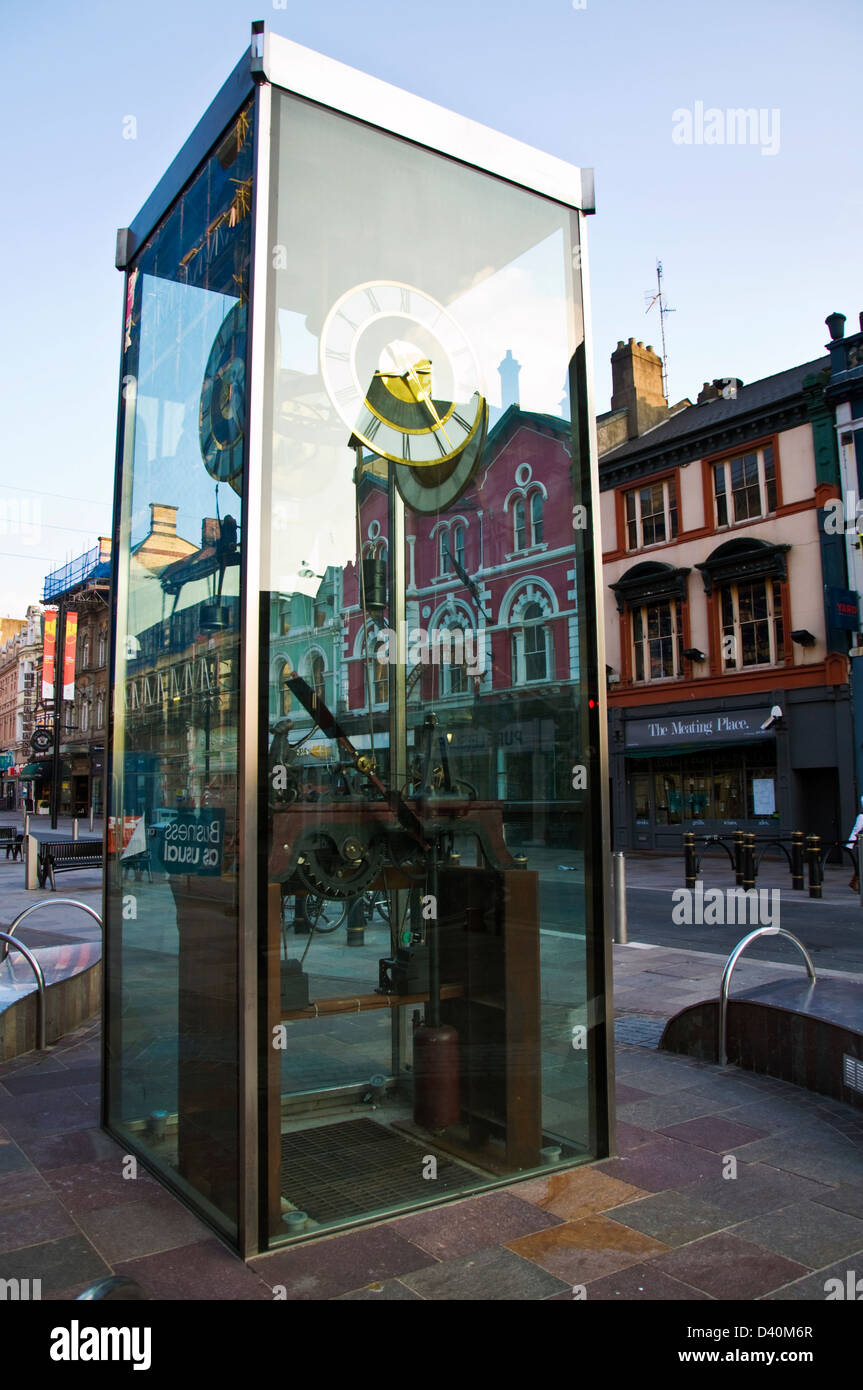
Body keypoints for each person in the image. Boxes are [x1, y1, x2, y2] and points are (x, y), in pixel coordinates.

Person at [846, 796, 863, 891]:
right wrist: (850, 844)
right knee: (860, 865)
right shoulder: (861, 817)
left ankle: (854, 882)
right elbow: (855, 830)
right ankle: (854, 882)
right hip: (862, 844)